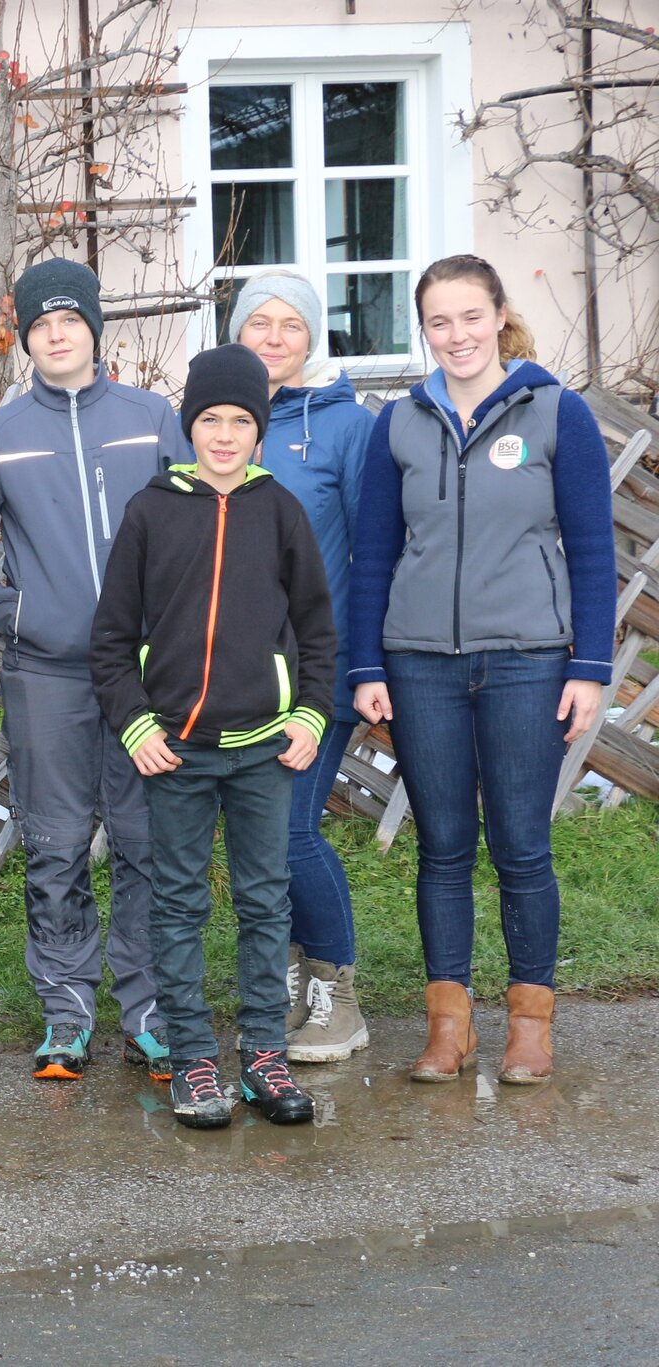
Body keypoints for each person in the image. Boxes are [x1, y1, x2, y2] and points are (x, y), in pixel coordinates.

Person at [348, 254, 615, 1087]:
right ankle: (448, 1026)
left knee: (523, 846)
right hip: (419, 664)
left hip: (530, 661)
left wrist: (591, 665)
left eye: (471, 316)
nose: (456, 335)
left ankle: (529, 1025)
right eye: (439, 321)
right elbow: (371, 557)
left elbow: (595, 546)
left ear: (498, 315)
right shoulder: (398, 422)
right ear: (422, 330)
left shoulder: (555, 412)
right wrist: (366, 663)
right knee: (444, 848)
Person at [0, 257, 187, 1081]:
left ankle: (151, 1007)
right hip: (45, 672)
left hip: (148, 676)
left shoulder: (153, 418)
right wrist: (20, 612)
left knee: (144, 840)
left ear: (94, 328)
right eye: (41, 325)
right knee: (54, 844)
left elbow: (196, 529)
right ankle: (66, 1009)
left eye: (70, 321)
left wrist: (177, 626)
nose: (57, 335)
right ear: (25, 338)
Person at [90, 344, 335, 1129]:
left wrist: (308, 716)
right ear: (189, 424)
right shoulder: (151, 510)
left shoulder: (280, 510)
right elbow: (110, 639)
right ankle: (194, 1057)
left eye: (240, 421)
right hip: (177, 751)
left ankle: (264, 1053)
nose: (224, 435)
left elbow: (320, 633)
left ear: (259, 429)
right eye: (209, 419)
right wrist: (134, 723)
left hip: (265, 747)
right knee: (178, 903)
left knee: (266, 901)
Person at [229, 271, 376, 1062]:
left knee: (288, 834)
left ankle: (336, 994)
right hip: (237, 677)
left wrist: (360, 669)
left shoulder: (347, 427)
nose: (276, 337)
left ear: (313, 336)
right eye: (260, 323)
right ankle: (286, 983)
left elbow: (372, 551)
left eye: (292, 324)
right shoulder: (223, 421)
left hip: (317, 673)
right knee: (257, 838)